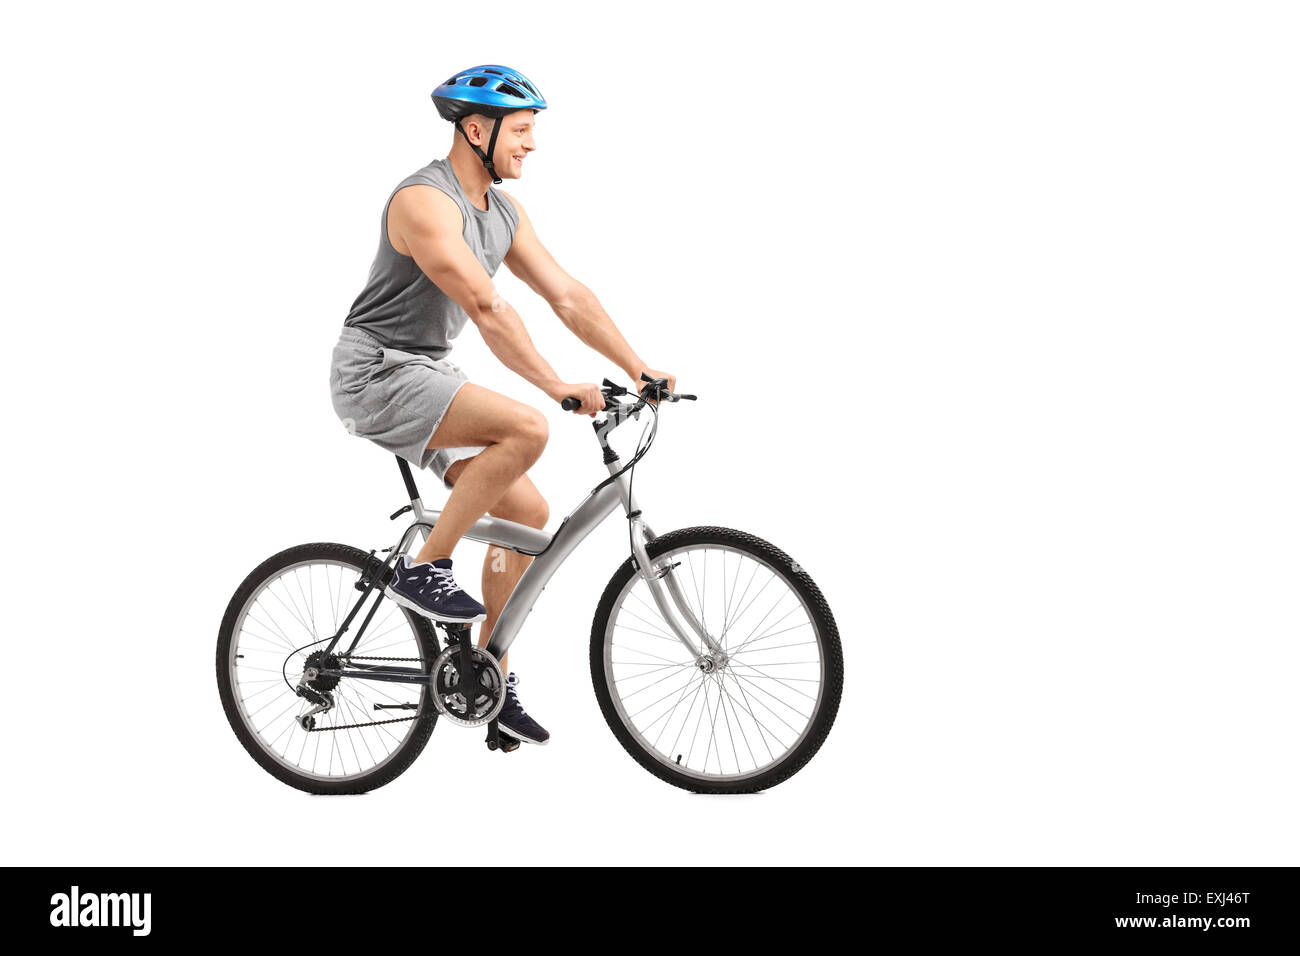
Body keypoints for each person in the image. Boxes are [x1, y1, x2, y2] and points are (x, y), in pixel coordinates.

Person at [330, 64, 676, 745]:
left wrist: (636, 367)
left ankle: (485, 679)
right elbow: (484, 304)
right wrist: (554, 386)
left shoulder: (504, 212)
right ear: (475, 129)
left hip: (424, 369)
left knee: (526, 514)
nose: (532, 146)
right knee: (527, 426)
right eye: (520, 131)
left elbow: (567, 295)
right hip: (374, 370)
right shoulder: (422, 202)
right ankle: (424, 565)